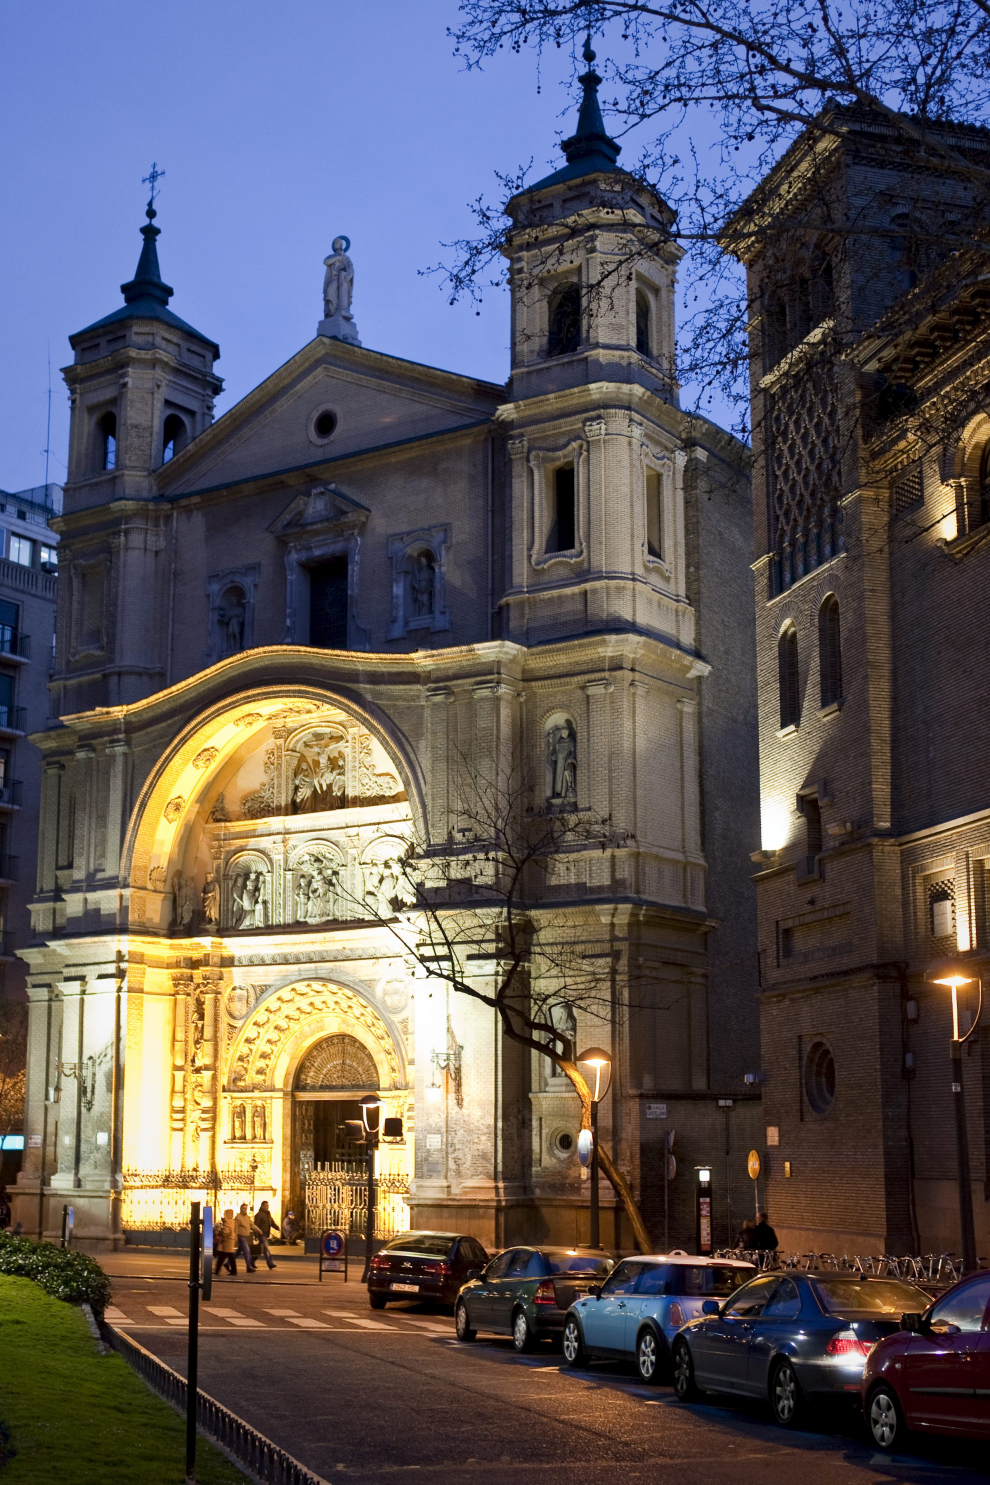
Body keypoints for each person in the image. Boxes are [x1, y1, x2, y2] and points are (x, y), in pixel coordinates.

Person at [252, 1201, 278, 1270]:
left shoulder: (268, 1214)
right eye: (266, 1206)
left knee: (259, 1249)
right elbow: (256, 1225)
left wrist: (277, 1227)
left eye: (268, 1205)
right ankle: (270, 1263)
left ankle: (252, 1260)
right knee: (266, 1248)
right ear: (262, 1206)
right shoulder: (259, 1214)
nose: (267, 1207)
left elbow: (271, 1222)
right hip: (261, 1234)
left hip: (266, 1234)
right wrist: (256, 1235)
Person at [214, 1209, 238, 1275]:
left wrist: (221, 1234)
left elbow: (226, 1231)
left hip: (226, 1241)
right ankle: (233, 1270)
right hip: (231, 1240)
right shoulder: (233, 1221)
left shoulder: (227, 1221)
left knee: (222, 1256)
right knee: (230, 1256)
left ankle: (217, 1270)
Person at [235, 1202, 257, 1272]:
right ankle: (248, 1267)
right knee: (247, 1251)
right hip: (241, 1237)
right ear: (241, 1209)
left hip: (245, 1237)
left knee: (238, 1252)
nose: (245, 1210)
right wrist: (235, 1237)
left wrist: (259, 1230)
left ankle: (227, 1263)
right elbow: (236, 1228)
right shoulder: (238, 1217)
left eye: (246, 1208)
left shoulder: (247, 1217)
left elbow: (252, 1225)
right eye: (244, 1208)